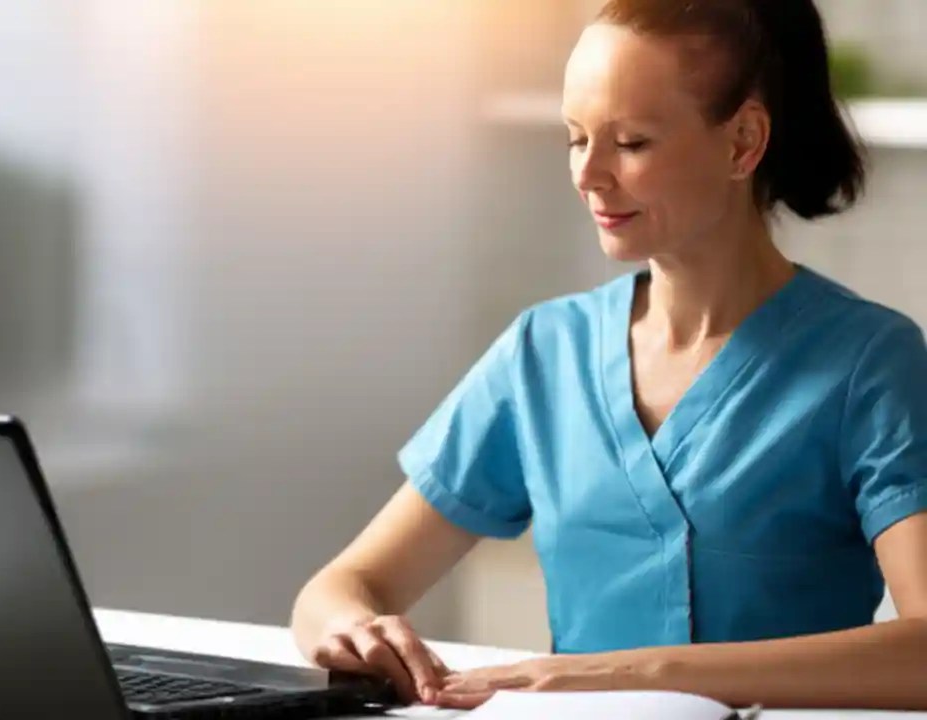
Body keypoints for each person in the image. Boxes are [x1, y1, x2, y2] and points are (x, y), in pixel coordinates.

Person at [291, 0, 927, 711]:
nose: (588, 175)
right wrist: (354, 629)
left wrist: (617, 675)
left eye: (630, 143)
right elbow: (339, 589)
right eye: (575, 138)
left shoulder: (871, 362)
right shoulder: (544, 352)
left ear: (743, 142)